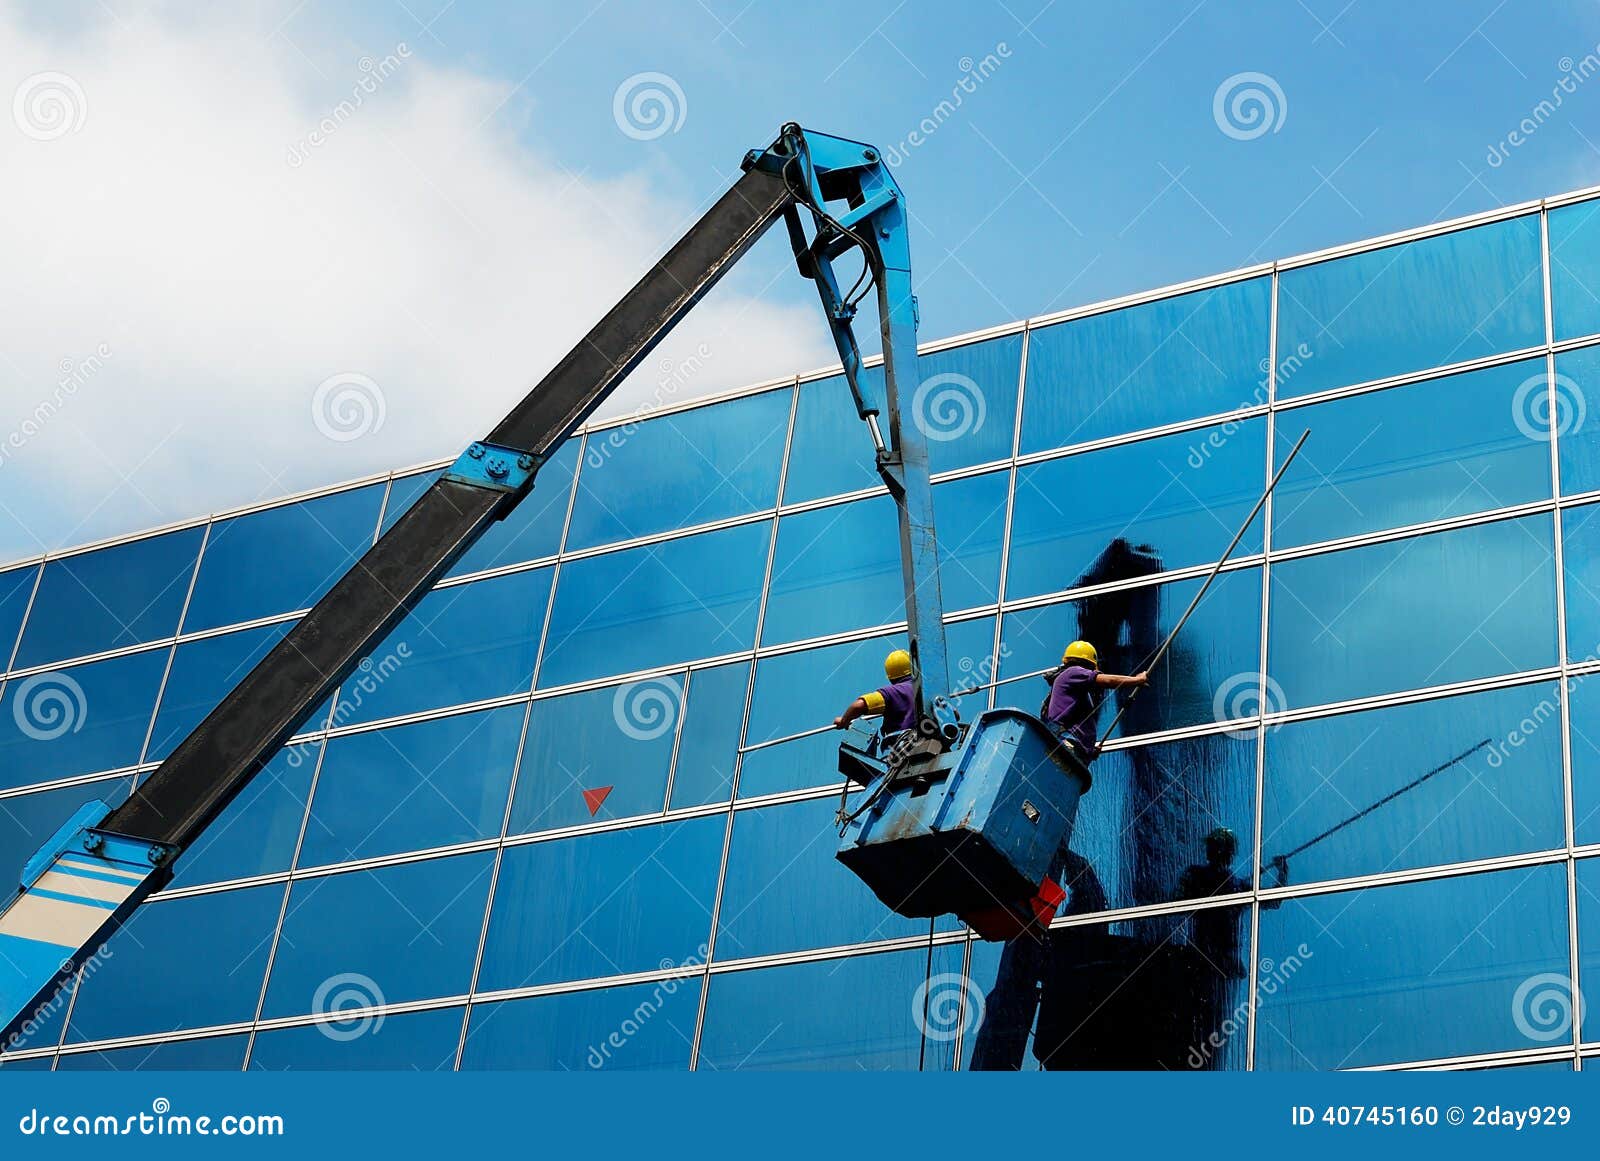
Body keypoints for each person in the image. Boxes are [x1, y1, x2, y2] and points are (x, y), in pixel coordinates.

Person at [1040, 640, 1147, 760]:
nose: (1092, 672)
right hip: (1068, 744)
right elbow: (1108, 681)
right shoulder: (1073, 672)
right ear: (1088, 664)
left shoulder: (1073, 686)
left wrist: (1089, 750)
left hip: (1072, 747)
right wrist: (1137, 680)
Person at [833, 649, 918, 736]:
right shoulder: (924, 689)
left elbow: (859, 705)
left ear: (890, 678)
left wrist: (844, 721)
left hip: (905, 745)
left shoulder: (893, 692)